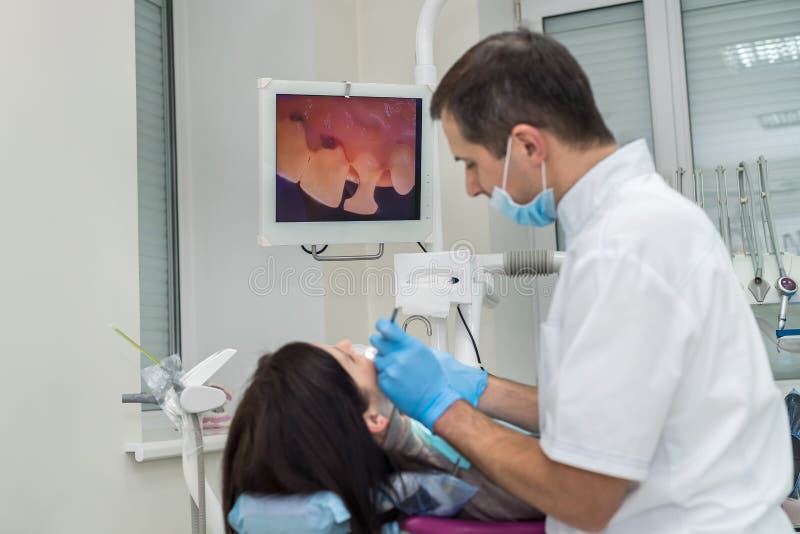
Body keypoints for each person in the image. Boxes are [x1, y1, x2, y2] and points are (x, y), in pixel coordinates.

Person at [369, 29, 794, 533]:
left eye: (471, 163)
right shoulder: (640, 223)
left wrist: (444, 410)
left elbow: (586, 495)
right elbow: (606, 418)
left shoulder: (623, 251)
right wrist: (478, 389)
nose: (472, 185)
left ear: (528, 145)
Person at [221, 341, 542, 534]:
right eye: (347, 358)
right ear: (372, 419)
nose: (350, 344)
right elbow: (556, 484)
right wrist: (458, 403)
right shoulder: (431, 477)